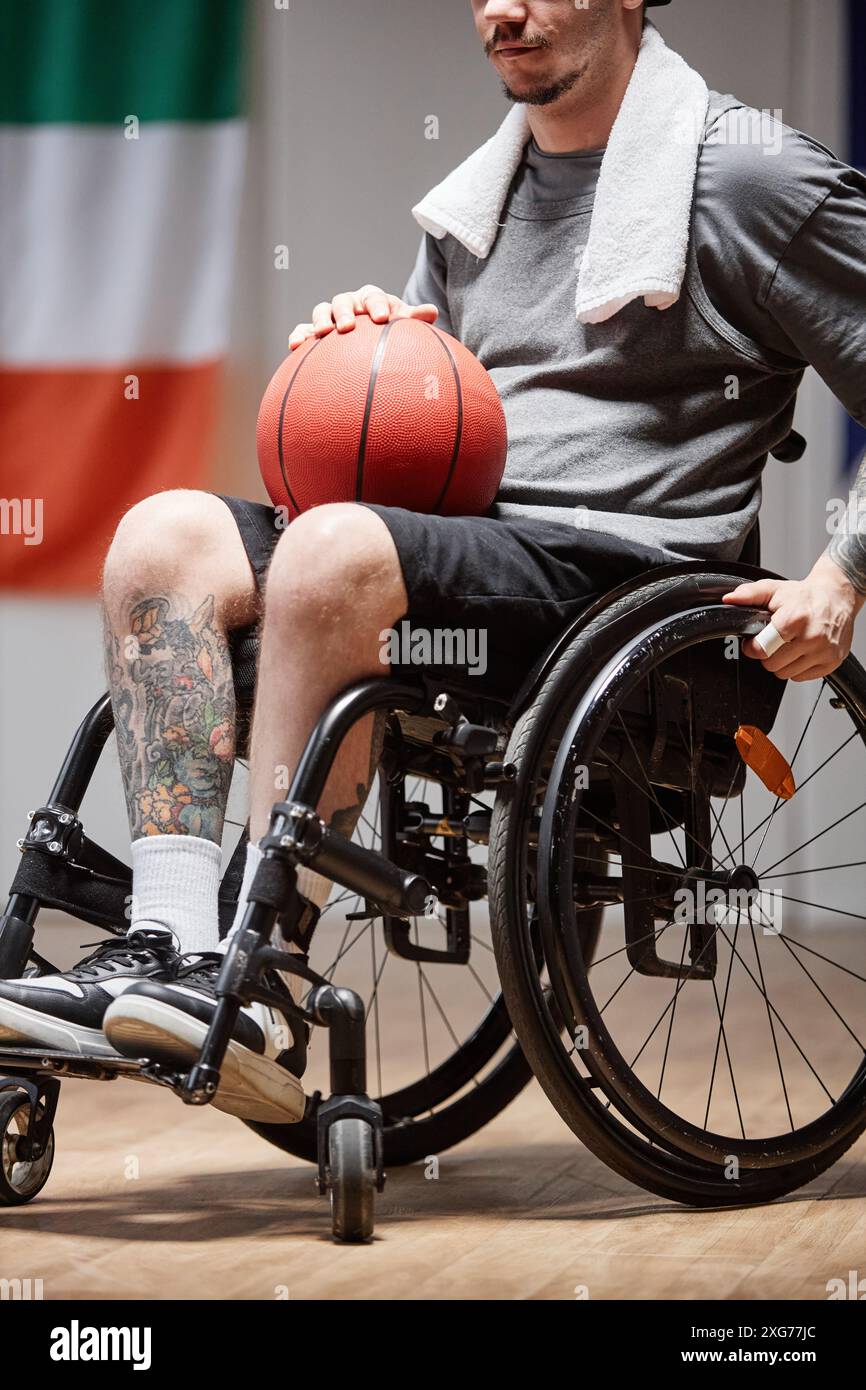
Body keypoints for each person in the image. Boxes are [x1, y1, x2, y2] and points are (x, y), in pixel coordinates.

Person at [1, 0, 864, 1122]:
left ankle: (262, 967)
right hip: (465, 547)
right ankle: (173, 933)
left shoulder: (750, 178)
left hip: (622, 578)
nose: (501, 10)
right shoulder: (471, 205)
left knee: (331, 552)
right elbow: (433, 436)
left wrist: (840, 573)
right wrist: (379, 348)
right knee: (158, 533)